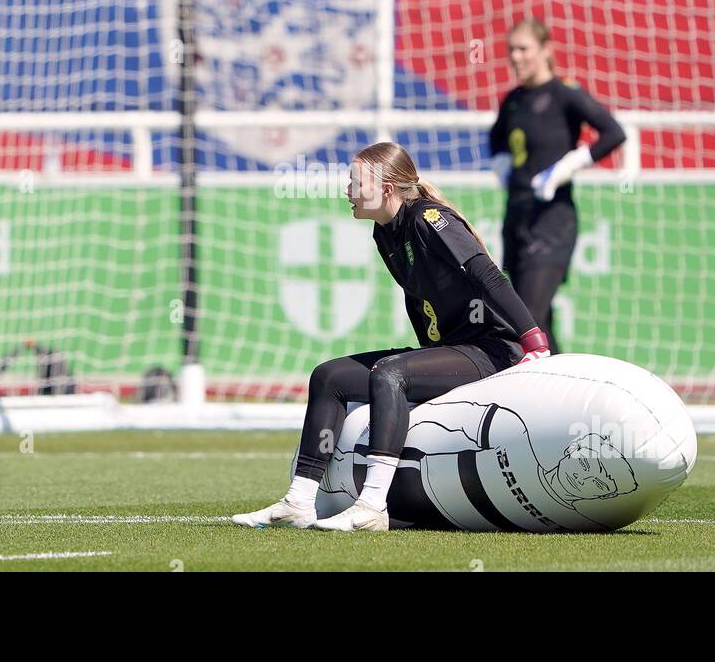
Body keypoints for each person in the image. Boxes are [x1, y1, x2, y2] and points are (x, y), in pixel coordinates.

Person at [232, 141, 551, 532]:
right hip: (454, 350)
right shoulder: (385, 233)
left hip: (492, 352)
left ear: (385, 189)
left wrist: (533, 341)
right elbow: (417, 300)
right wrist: (429, 358)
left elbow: (487, 275)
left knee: (389, 372)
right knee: (328, 377)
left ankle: (371, 506)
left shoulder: (430, 218)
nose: (347, 191)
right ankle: (299, 501)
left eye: (355, 183)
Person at [489, 18, 626, 354]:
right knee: (538, 324)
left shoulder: (564, 94)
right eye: (511, 50)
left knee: (526, 322)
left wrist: (568, 166)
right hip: (517, 218)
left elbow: (613, 132)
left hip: (552, 223)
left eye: (524, 49)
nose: (516, 57)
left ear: (545, 50)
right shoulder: (514, 100)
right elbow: (495, 138)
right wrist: (501, 164)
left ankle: (534, 396)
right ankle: (563, 394)